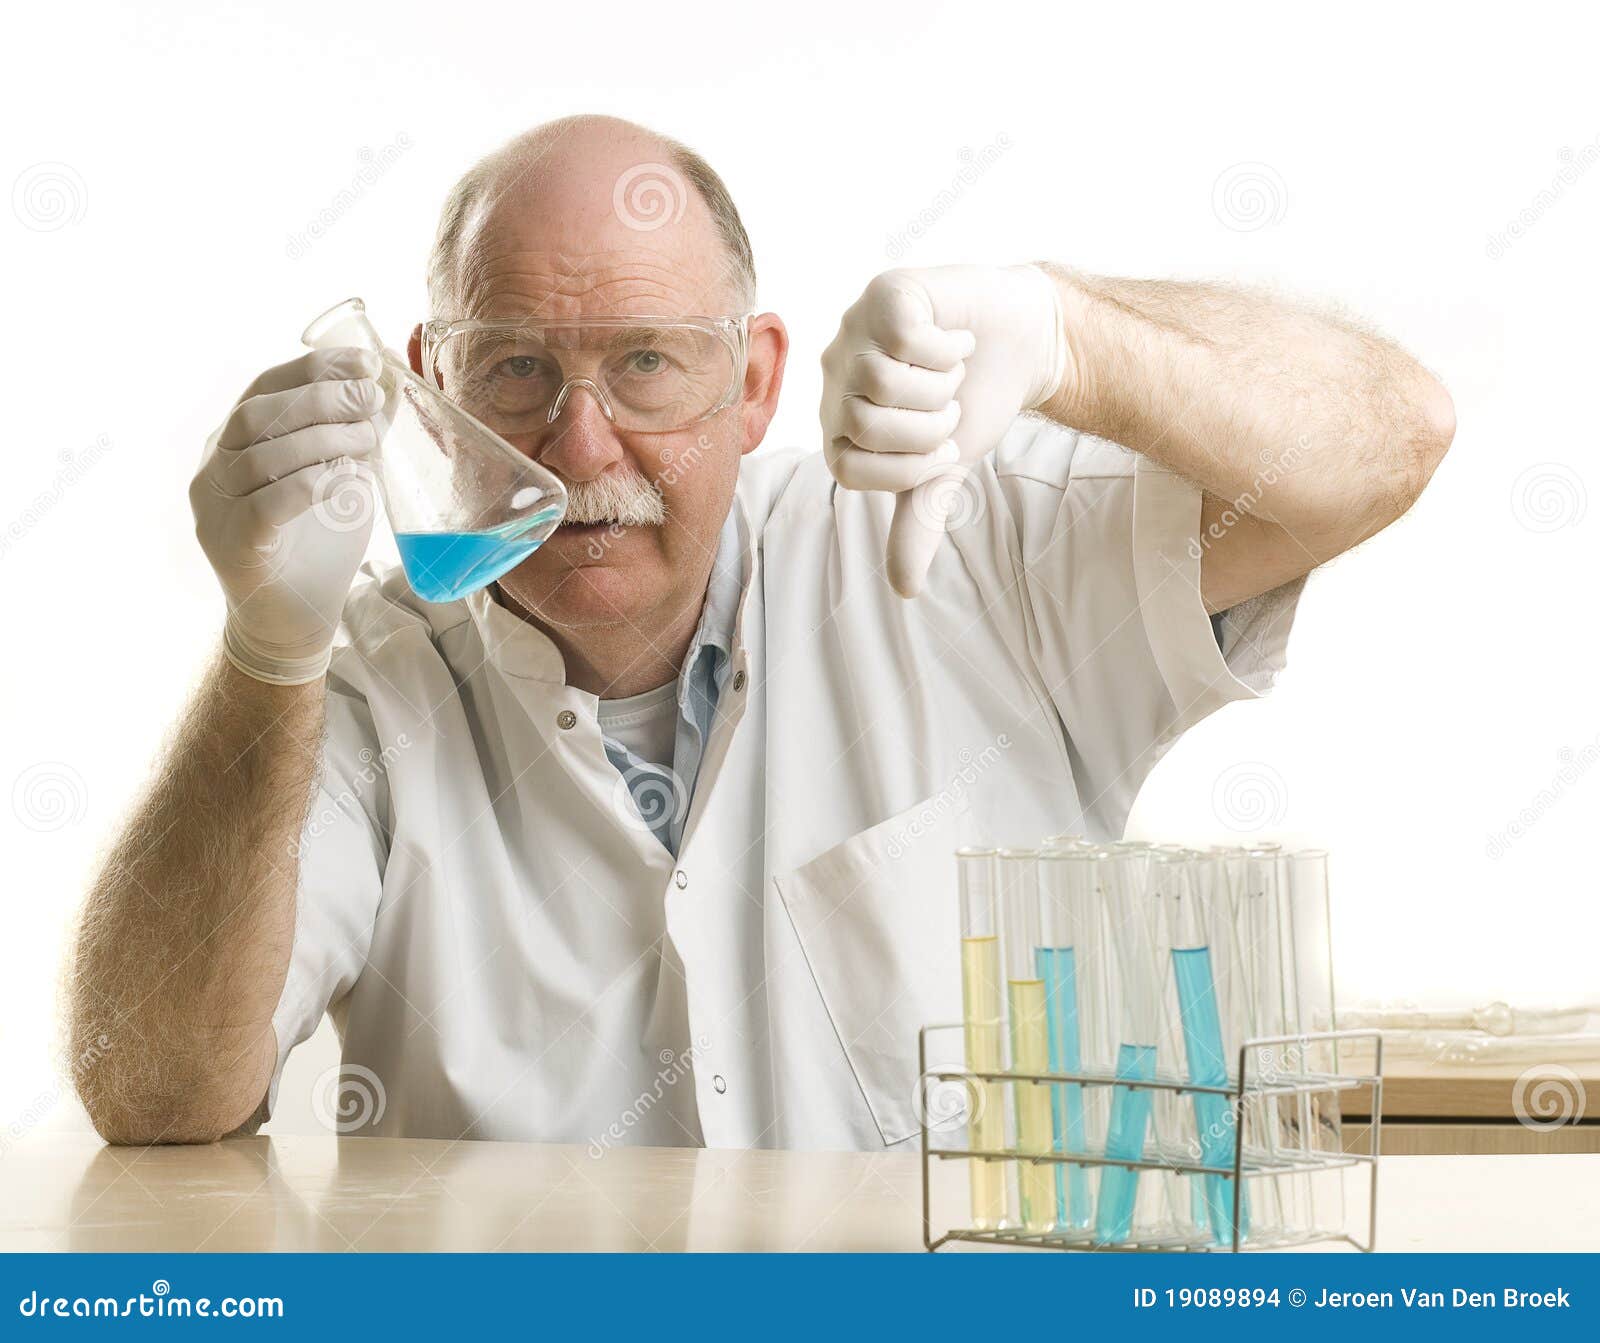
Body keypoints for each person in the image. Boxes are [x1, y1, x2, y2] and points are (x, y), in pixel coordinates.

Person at [68, 115, 1453, 1150]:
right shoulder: (369, 682)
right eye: (518, 368)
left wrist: (1068, 333)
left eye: (649, 364)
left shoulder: (959, 548)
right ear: (433, 386)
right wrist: (266, 647)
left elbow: (1391, 438)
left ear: (755, 384)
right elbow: (156, 1096)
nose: (582, 444)